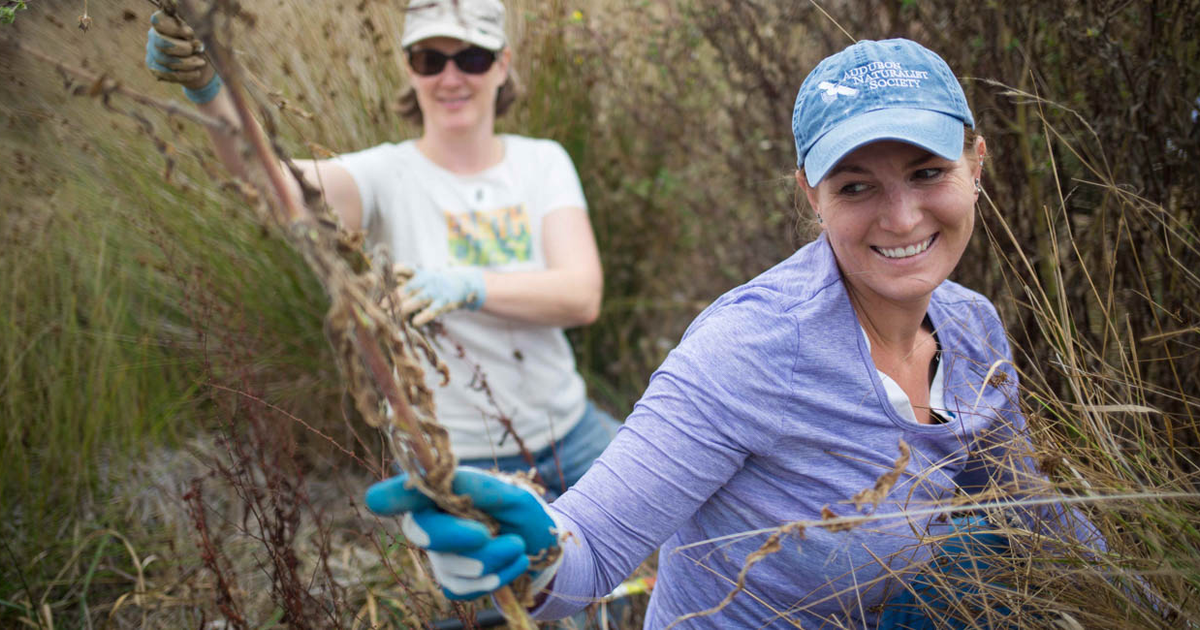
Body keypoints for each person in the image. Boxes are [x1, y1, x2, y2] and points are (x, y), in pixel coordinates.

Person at [363, 38, 1106, 627]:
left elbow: (1021, 506)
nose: (903, 217)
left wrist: (1136, 594)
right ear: (810, 197)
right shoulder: (750, 351)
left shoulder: (973, 328)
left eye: (926, 172)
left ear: (976, 166)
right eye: (856, 186)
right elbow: (588, 555)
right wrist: (528, 559)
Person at [143, 0, 620, 498]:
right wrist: (208, 89)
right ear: (410, 69)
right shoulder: (385, 175)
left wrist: (468, 286)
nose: (451, 78)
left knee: (654, 551)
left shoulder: (542, 162)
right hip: (457, 455)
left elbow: (581, 296)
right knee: (519, 575)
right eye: (430, 60)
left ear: (502, 65)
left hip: (572, 431)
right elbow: (269, 180)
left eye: (472, 58)